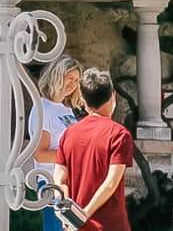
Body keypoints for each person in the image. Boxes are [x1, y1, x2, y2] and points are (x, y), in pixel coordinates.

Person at [56, 67, 134, 231]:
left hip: (76, 227)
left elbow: (59, 180)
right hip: (110, 225)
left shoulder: (68, 134)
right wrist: (84, 213)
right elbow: (111, 183)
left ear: (83, 101)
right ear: (113, 96)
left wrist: (69, 214)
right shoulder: (119, 135)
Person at [34, 57, 85, 231]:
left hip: (72, 183)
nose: (74, 84)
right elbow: (39, 153)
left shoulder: (68, 110)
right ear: (57, 76)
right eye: (70, 78)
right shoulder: (42, 108)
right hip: (51, 183)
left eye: (77, 80)